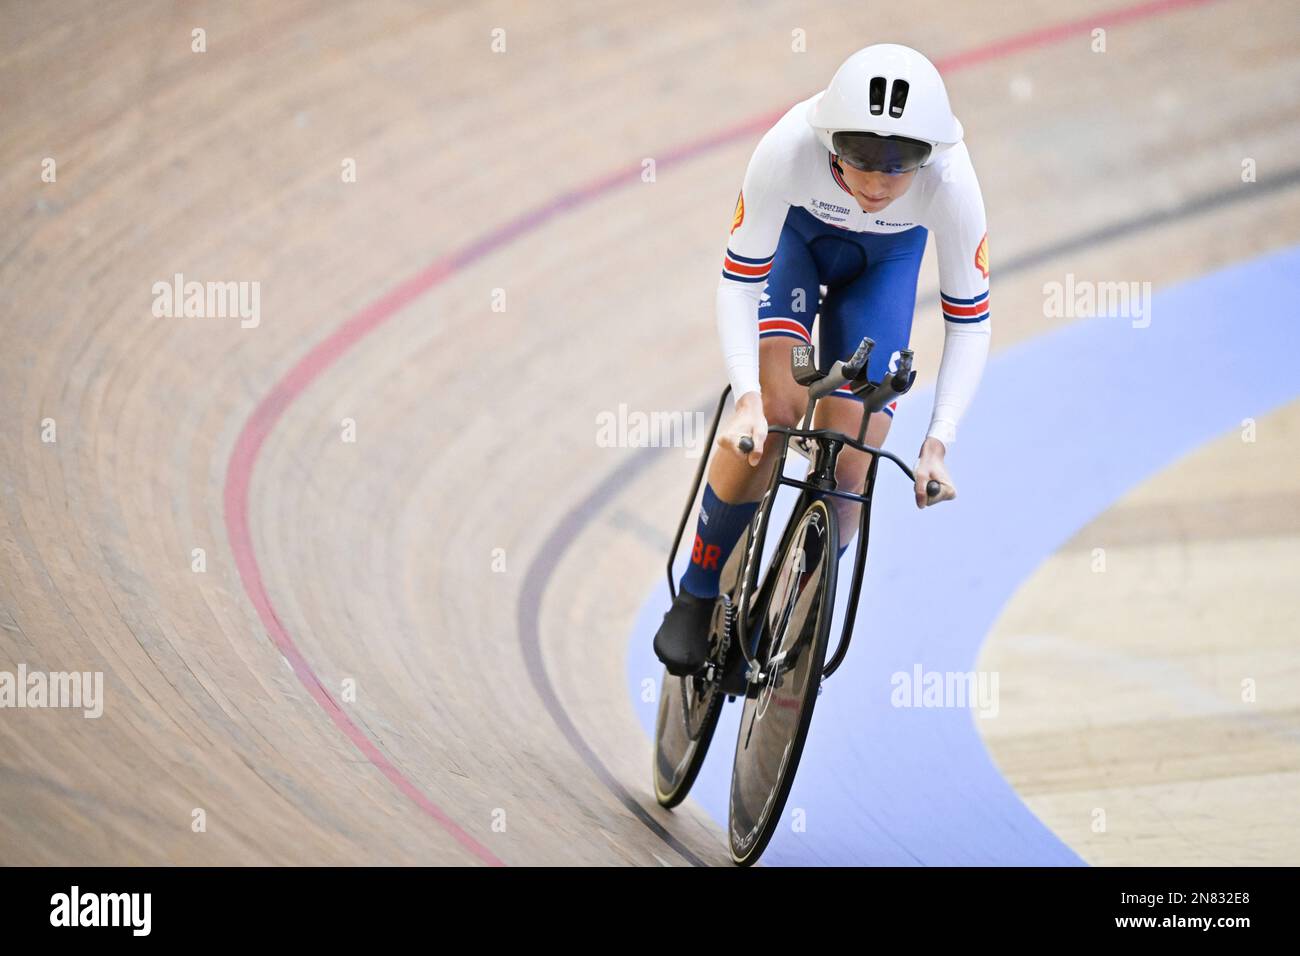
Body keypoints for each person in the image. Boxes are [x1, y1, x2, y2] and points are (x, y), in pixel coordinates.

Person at [654, 43, 990, 675]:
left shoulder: (952, 182)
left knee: (853, 460)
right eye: (864, 161)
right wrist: (747, 400)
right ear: (833, 142)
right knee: (778, 409)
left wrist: (937, 443)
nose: (881, 184)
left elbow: (969, 324)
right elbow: (739, 280)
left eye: (902, 166)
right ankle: (698, 596)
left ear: (933, 154)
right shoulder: (788, 148)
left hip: (882, 273)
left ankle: (793, 614)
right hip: (798, 249)